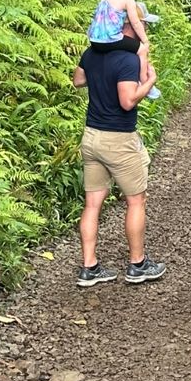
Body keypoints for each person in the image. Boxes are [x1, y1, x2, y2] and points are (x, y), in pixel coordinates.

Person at [72, 26, 164, 287]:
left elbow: (78, 80)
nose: (145, 29)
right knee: (136, 201)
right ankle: (137, 264)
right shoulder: (128, 59)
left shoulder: (92, 51)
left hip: (91, 136)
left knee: (92, 204)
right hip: (119, 139)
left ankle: (89, 267)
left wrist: (100, 77)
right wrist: (149, 82)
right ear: (129, 27)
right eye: (142, 23)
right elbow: (127, 101)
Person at [87, 0, 152, 86]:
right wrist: (145, 41)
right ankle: (144, 82)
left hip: (94, 40)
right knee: (142, 50)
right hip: (111, 39)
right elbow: (136, 23)